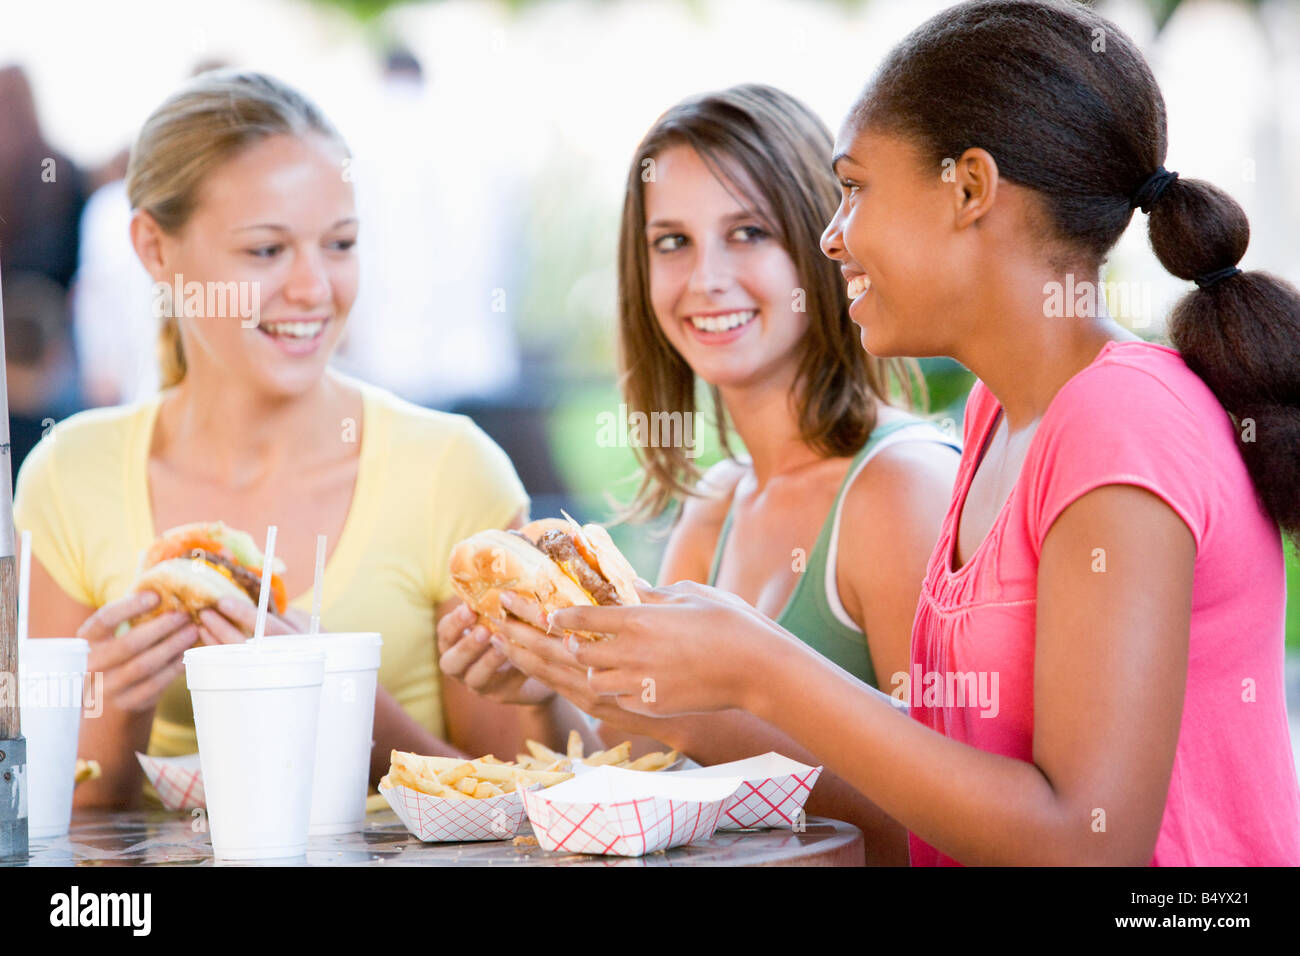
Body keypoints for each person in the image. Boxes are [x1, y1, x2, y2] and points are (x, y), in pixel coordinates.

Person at [484, 0, 1300, 865]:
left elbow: (1086, 847)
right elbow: (949, 791)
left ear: (970, 188)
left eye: (853, 188)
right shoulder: (997, 419)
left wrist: (762, 666)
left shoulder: (1123, 420)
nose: (832, 239)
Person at [438, 84, 960, 863]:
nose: (705, 278)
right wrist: (550, 692)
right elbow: (640, 766)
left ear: (826, 244)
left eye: (747, 232)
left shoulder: (900, 487)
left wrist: (687, 715)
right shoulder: (717, 504)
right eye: (672, 242)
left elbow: (939, 830)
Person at [14, 70, 556, 809]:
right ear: (153, 248)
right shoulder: (68, 476)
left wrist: (330, 693)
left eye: (340, 243)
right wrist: (114, 705)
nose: (314, 288)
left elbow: (522, 810)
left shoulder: (452, 472)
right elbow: (64, 829)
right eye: (266, 251)